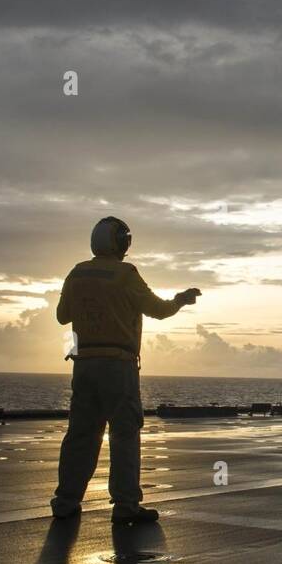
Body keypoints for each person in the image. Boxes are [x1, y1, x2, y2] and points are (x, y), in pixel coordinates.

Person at [51, 217, 201, 524]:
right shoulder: (125, 274)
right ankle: (125, 505)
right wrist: (180, 301)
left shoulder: (77, 273)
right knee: (124, 434)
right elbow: (158, 310)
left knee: (80, 434)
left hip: (83, 366)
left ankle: (65, 500)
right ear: (121, 243)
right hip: (118, 366)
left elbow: (62, 316)